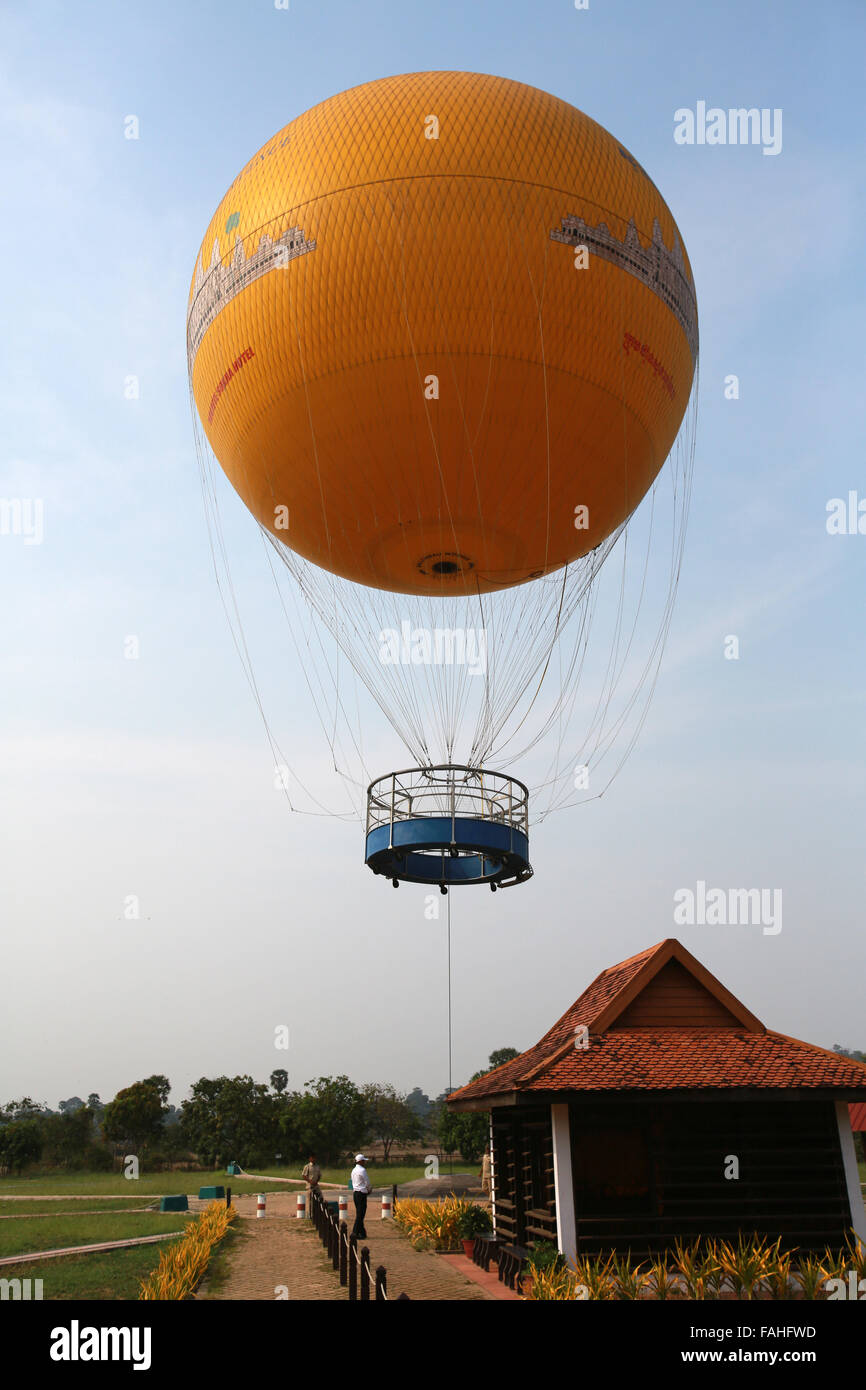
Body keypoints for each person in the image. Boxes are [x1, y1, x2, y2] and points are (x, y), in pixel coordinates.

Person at [350, 1152, 372, 1238]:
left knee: (359, 1213)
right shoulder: (362, 1170)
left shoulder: (353, 1170)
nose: (364, 1162)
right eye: (363, 1161)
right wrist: (369, 1189)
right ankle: (354, 1232)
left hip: (355, 1193)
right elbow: (367, 1182)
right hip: (362, 1193)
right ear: (360, 1161)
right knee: (360, 1214)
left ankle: (362, 1233)